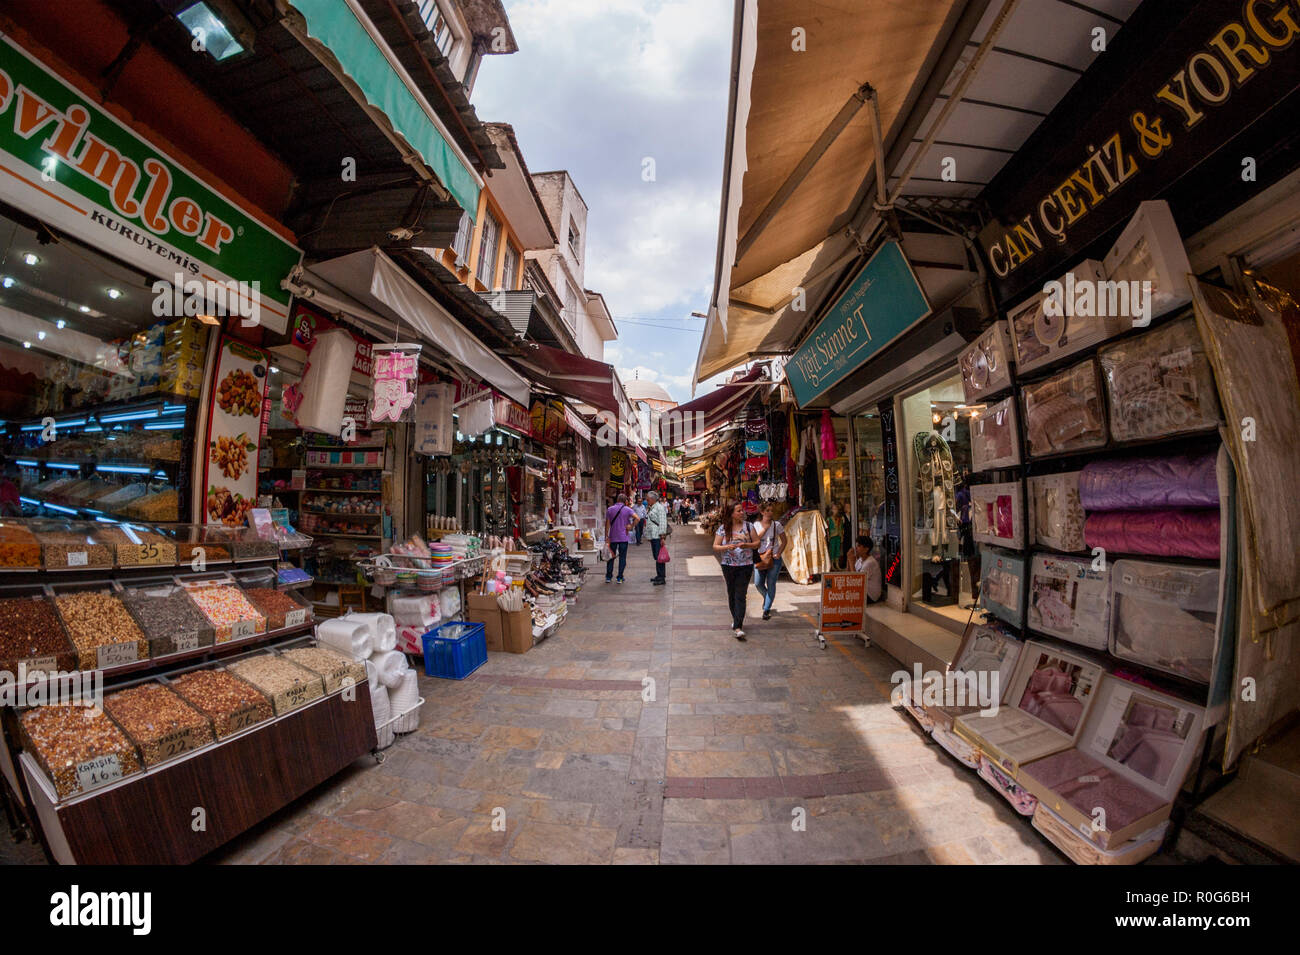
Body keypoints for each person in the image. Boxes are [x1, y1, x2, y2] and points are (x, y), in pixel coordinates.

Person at [713, 499, 759, 641]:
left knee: (741, 594)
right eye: (738, 511)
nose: (742, 512)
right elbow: (715, 546)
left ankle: (738, 626)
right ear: (732, 514)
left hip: (745, 565)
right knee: (731, 594)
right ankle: (736, 619)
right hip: (728, 565)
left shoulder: (749, 526)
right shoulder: (723, 528)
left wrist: (747, 545)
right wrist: (727, 547)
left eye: (742, 510)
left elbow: (757, 543)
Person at [751, 502, 788, 620]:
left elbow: (784, 540)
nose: (770, 513)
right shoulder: (756, 525)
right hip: (760, 557)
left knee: (771, 583)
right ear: (762, 512)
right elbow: (755, 539)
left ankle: (766, 609)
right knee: (758, 583)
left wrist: (779, 552)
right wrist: (765, 528)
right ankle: (768, 597)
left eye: (771, 510)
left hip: (774, 558)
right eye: (767, 510)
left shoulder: (777, 525)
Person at [604, 493, 635, 583]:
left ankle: (608, 577)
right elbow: (637, 518)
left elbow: (607, 524)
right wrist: (631, 526)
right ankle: (620, 577)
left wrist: (607, 536)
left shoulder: (610, 509)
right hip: (623, 537)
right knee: (622, 557)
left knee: (611, 557)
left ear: (617, 500)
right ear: (625, 501)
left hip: (613, 537)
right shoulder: (628, 509)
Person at [645, 491, 669, 586]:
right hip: (653, 536)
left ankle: (661, 578)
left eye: (648, 499)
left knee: (659, 557)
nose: (647, 501)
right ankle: (659, 575)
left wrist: (662, 537)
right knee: (656, 556)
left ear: (652, 499)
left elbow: (663, 522)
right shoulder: (652, 507)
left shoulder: (659, 508)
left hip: (657, 536)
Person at [853, 535, 883, 603]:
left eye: (858, 546)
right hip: (862, 591)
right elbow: (849, 576)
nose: (856, 548)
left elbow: (856, 582)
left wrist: (851, 562)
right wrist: (849, 561)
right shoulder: (860, 560)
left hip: (871, 595)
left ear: (866, 549)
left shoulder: (870, 563)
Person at [827, 501, 845, 570]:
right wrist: (828, 537)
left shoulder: (840, 519)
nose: (835, 511)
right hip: (832, 536)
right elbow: (828, 529)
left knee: (837, 550)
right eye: (834, 509)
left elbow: (841, 528)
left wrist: (842, 536)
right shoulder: (829, 519)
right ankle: (832, 564)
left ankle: (837, 564)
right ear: (831, 510)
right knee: (832, 550)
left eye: (836, 509)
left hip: (838, 536)